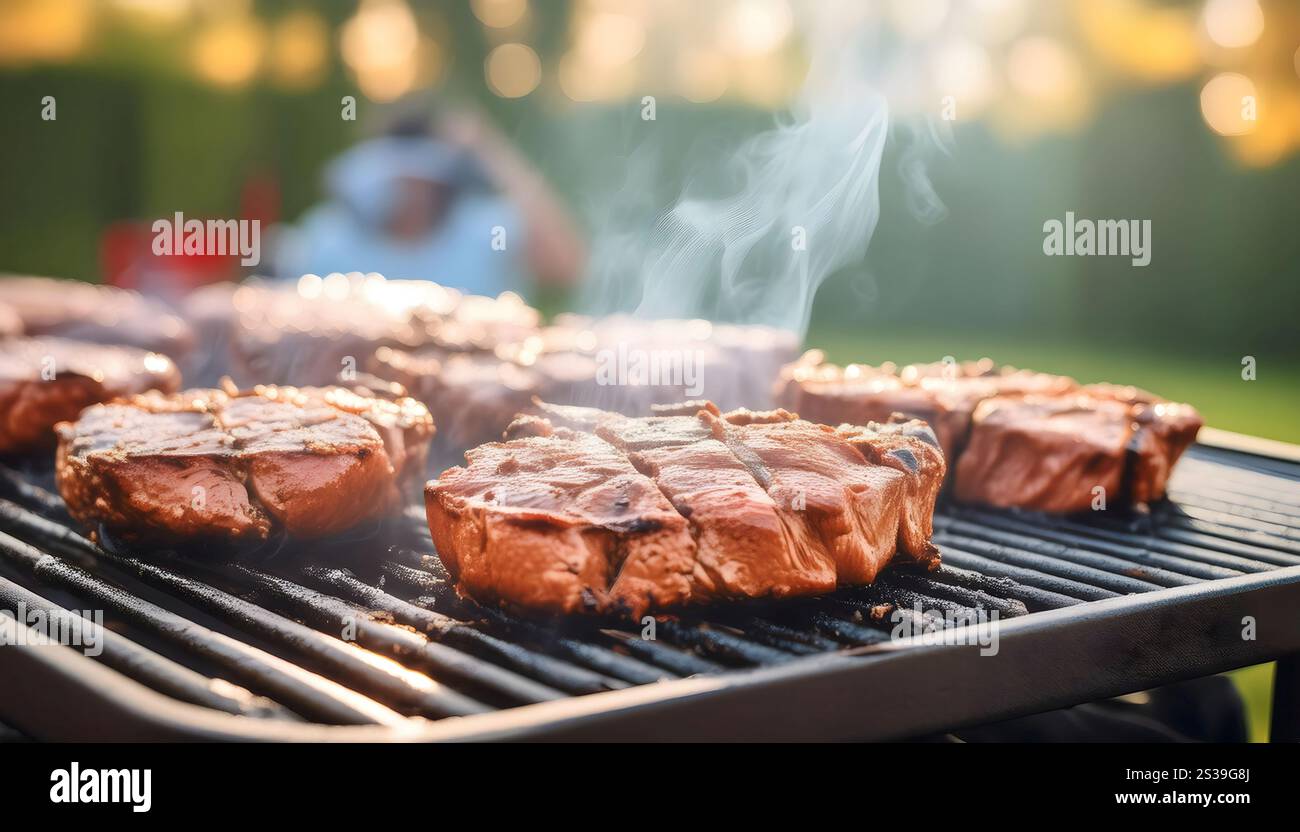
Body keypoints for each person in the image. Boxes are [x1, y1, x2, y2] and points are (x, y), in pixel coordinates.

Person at [274, 110, 585, 295]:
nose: (413, 191)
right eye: (400, 175)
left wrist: (490, 150)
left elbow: (566, 267)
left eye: (424, 177)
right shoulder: (330, 237)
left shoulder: (484, 231)